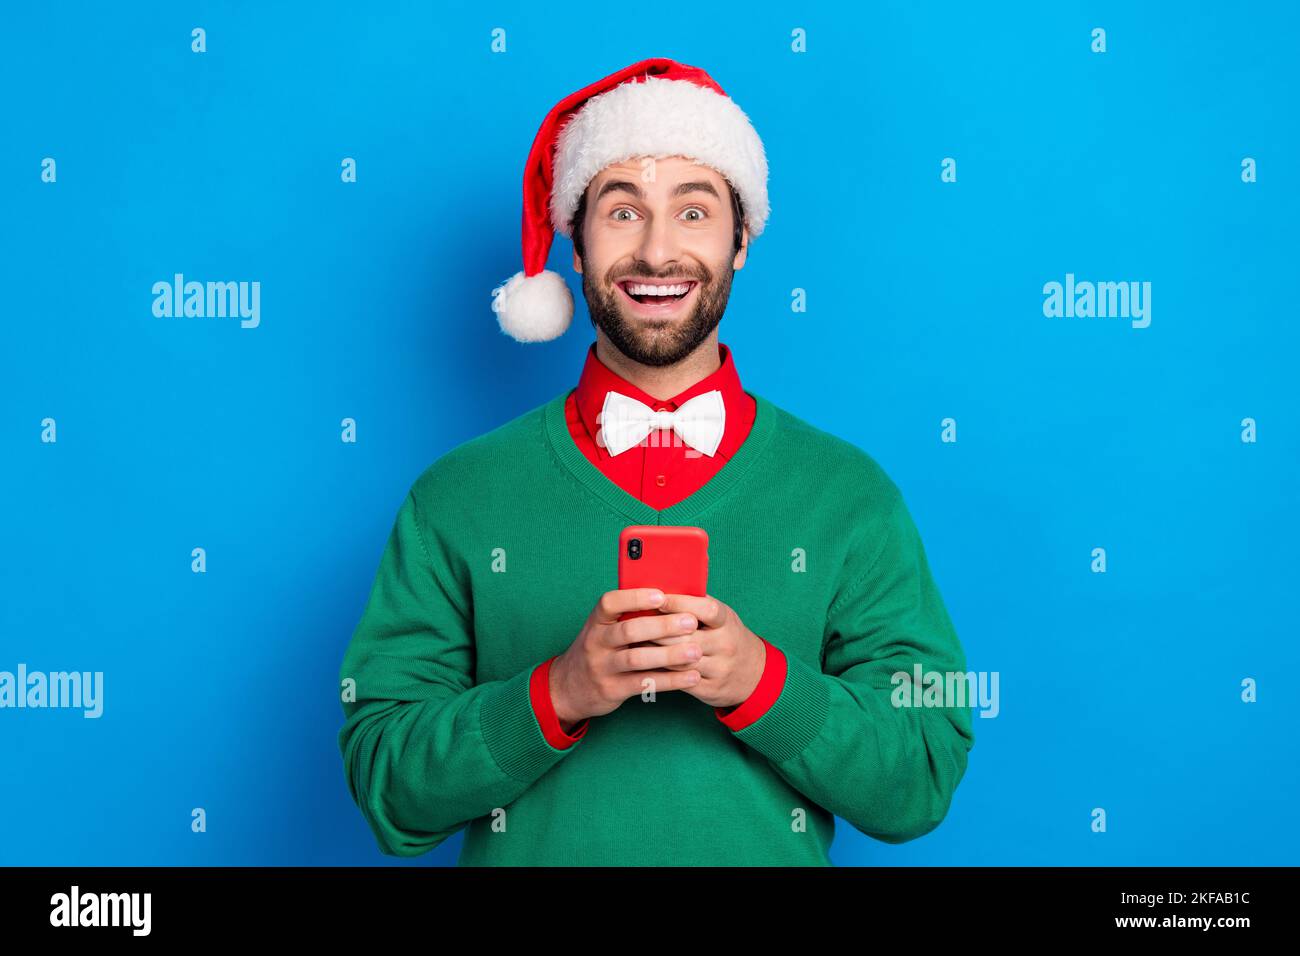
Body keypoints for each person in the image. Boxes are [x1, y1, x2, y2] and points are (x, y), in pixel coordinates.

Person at [337, 57, 974, 866]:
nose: (658, 251)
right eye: (623, 211)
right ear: (574, 241)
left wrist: (761, 682)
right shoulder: (455, 498)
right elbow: (387, 788)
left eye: (695, 211)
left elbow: (921, 775)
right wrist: (558, 693)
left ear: (741, 240)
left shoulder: (849, 497)